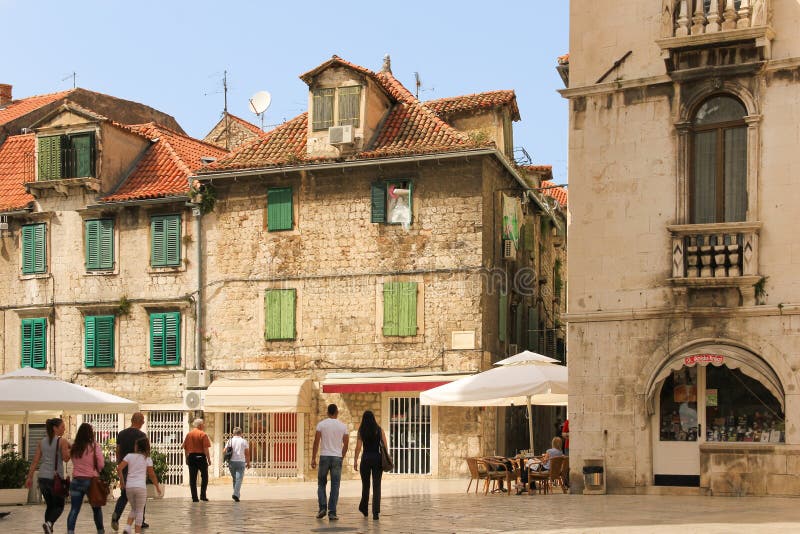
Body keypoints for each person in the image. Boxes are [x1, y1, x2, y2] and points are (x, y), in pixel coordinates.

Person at [25, 417, 71, 534]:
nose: (64, 429)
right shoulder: (62, 441)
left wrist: (29, 477)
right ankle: (49, 524)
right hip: (54, 479)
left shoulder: (42, 442)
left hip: (42, 477)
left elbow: (35, 461)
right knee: (59, 505)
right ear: (55, 428)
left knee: (50, 506)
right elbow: (66, 459)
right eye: (62, 427)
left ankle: (49, 529)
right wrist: (72, 450)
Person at [311, 403, 349, 521]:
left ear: (327, 412)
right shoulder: (343, 426)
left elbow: (316, 442)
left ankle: (322, 508)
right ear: (337, 412)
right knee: (335, 485)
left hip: (324, 457)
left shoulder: (321, 425)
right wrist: (341, 456)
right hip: (336, 457)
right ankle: (332, 512)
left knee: (321, 483)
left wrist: (313, 458)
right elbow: (346, 444)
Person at [116, 437, 162, 534]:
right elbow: (152, 475)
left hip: (129, 486)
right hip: (140, 487)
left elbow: (119, 468)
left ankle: (128, 528)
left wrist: (122, 482)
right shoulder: (147, 459)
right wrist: (157, 487)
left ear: (137, 447)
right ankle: (137, 532)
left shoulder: (129, 456)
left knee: (134, 508)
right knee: (140, 510)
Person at [67, 423, 105, 534]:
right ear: (90, 433)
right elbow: (101, 464)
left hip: (76, 480)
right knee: (96, 508)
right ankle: (100, 531)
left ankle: (70, 531)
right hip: (91, 481)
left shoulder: (74, 447)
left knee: (74, 509)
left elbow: (73, 461)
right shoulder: (94, 446)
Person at [111, 413, 147, 531]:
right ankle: (140, 521)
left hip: (124, 467)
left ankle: (116, 514)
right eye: (142, 421)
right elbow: (145, 454)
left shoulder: (121, 434)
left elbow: (118, 451)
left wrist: (119, 464)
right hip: (136, 470)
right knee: (140, 495)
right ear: (139, 421)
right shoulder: (142, 435)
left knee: (124, 495)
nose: (143, 423)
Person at [353, 410, 388, 520]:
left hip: (366, 459)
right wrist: (386, 457)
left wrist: (355, 460)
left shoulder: (361, 431)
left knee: (366, 485)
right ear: (373, 419)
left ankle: (364, 509)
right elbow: (385, 446)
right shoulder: (379, 430)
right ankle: (376, 512)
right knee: (377, 486)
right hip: (377, 459)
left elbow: (358, 447)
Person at [182, 418, 211, 502]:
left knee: (192, 478)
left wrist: (186, 458)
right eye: (203, 424)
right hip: (201, 457)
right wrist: (209, 459)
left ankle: (194, 497)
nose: (204, 425)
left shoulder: (189, 434)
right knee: (205, 477)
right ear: (200, 425)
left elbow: (185, 448)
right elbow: (206, 449)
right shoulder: (203, 434)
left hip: (191, 457)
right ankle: (203, 495)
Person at [224, 427, 250, 502]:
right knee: (239, 479)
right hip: (241, 462)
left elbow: (224, 451)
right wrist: (248, 463)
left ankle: (236, 496)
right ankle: (235, 494)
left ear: (233, 433)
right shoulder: (244, 441)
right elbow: (247, 453)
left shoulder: (230, 441)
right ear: (241, 433)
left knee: (235, 479)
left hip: (232, 462)